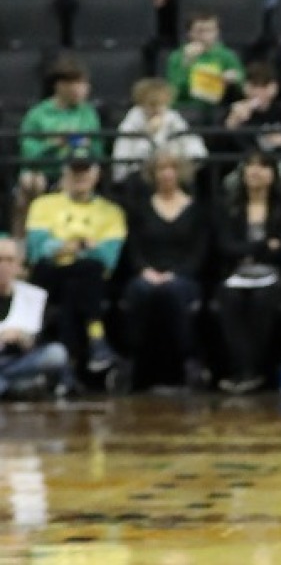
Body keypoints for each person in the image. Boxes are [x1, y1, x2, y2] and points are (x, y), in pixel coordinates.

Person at [24, 153, 124, 385]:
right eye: (74, 171)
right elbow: (37, 250)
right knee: (82, 270)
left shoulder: (111, 212)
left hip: (89, 279)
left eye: (85, 170)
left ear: (96, 174)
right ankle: (97, 338)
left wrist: (63, 246)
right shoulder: (43, 205)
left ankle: (66, 368)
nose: (80, 176)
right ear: (64, 174)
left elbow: (108, 258)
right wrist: (83, 245)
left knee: (80, 280)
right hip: (50, 275)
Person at [120, 147, 210, 390]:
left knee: (172, 292)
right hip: (147, 273)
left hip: (183, 276)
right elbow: (134, 249)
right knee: (141, 291)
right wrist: (145, 271)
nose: (167, 174)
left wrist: (175, 274)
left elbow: (198, 253)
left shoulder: (196, 210)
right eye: (161, 169)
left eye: (172, 168)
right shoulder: (140, 209)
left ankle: (186, 363)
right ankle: (135, 364)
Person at [215, 152, 281, 392]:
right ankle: (243, 370)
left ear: (273, 174)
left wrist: (249, 250)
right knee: (230, 298)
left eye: (263, 166)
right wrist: (263, 246)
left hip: (274, 274)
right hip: (236, 274)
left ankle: (256, 370)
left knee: (263, 300)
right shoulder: (229, 207)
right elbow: (225, 247)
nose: (256, 171)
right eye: (250, 166)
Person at [16, 58, 102, 204]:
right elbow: (28, 155)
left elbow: (98, 150)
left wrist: (87, 145)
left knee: (79, 179)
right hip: (44, 172)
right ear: (60, 86)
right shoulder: (38, 114)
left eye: (85, 84)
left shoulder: (88, 113)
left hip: (76, 170)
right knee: (30, 181)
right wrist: (54, 143)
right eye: (78, 84)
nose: (84, 89)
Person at [0, 236, 69, 398]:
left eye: (9, 260)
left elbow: (36, 339)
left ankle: (7, 383)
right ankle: (15, 385)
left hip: (18, 360)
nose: (3, 266)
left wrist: (23, 338)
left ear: (19, 265)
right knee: (23, 383)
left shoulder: (34, 295)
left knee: (56, 353)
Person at [111, 79, 207, 185]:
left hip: (171, 170)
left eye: (162, 103)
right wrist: (148, 135)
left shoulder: (173, 117)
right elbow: (122, 159)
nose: (158, 109)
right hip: (139, 174)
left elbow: (191, 143)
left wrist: (191, 159)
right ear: (142, 103)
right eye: (152, 104)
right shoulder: (131, 122)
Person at [165, 11, 243, 117]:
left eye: (210, 30)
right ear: (190, 33)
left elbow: (242, 85)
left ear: (217, 32)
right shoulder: (178, 56)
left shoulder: (227, 56)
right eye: (200, 31)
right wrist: (186, 63)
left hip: (218, 108)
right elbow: (174, 92)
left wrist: (233, 80)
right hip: (186, 108)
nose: (205, 36)